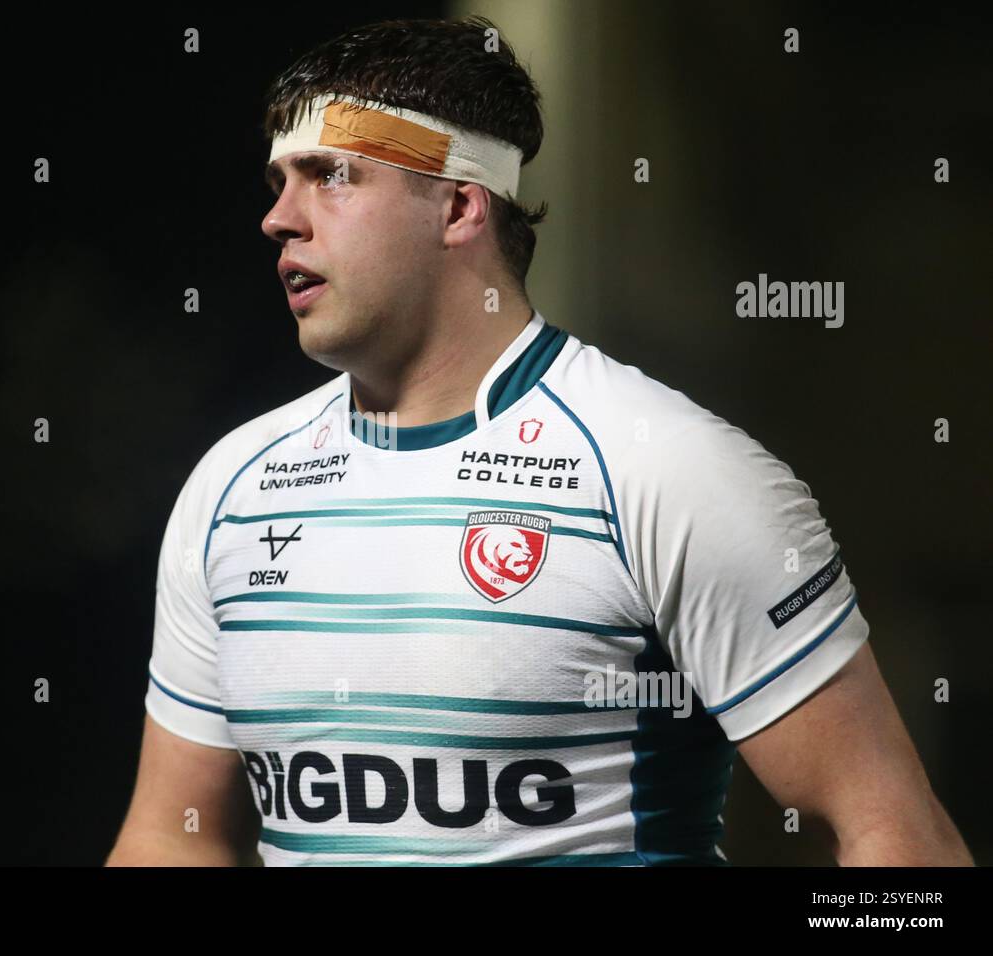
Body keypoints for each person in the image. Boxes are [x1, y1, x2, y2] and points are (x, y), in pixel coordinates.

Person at [106, 16, 971, 866]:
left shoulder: (669, 471)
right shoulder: (233, 487)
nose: (279, 219)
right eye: (276, 184)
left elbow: (892, 833)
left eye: (328, 175)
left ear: (459, 205)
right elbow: (167, 839)